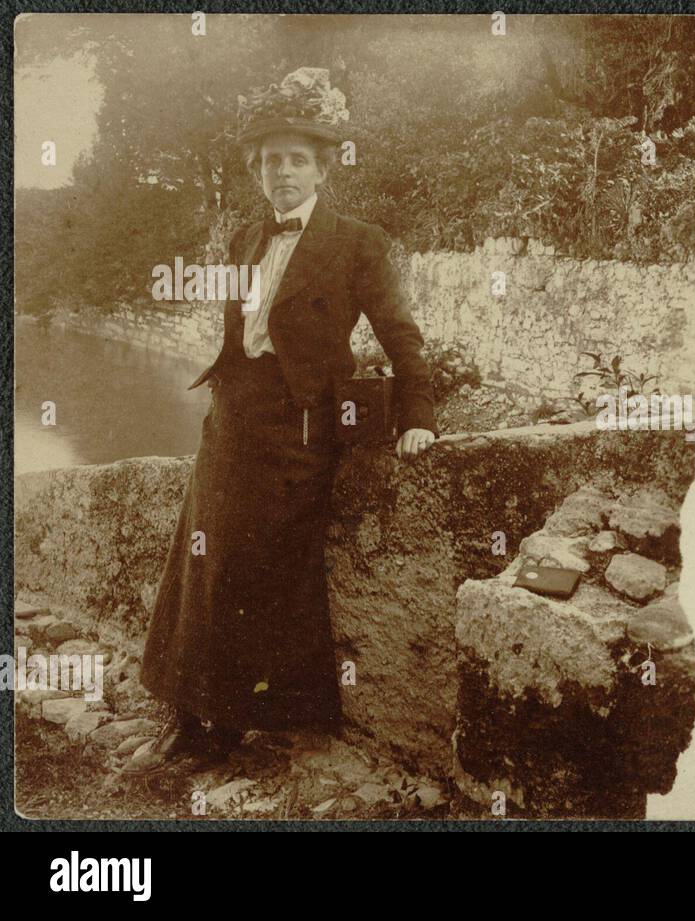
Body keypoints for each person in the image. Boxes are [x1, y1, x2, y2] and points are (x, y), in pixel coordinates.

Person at [125, 69, 438, 774]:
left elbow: (402, 334)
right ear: (257, 172)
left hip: (300, 434)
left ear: (323, 167)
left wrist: (418, 415)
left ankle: (232, 724)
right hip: (231, 419)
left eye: (297, 159)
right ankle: (187, 717)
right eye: (271, 161)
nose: (283, 172)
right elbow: (242, 334)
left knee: (256, 570)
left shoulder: (359, 242)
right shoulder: (245, 237)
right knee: (196, 562)